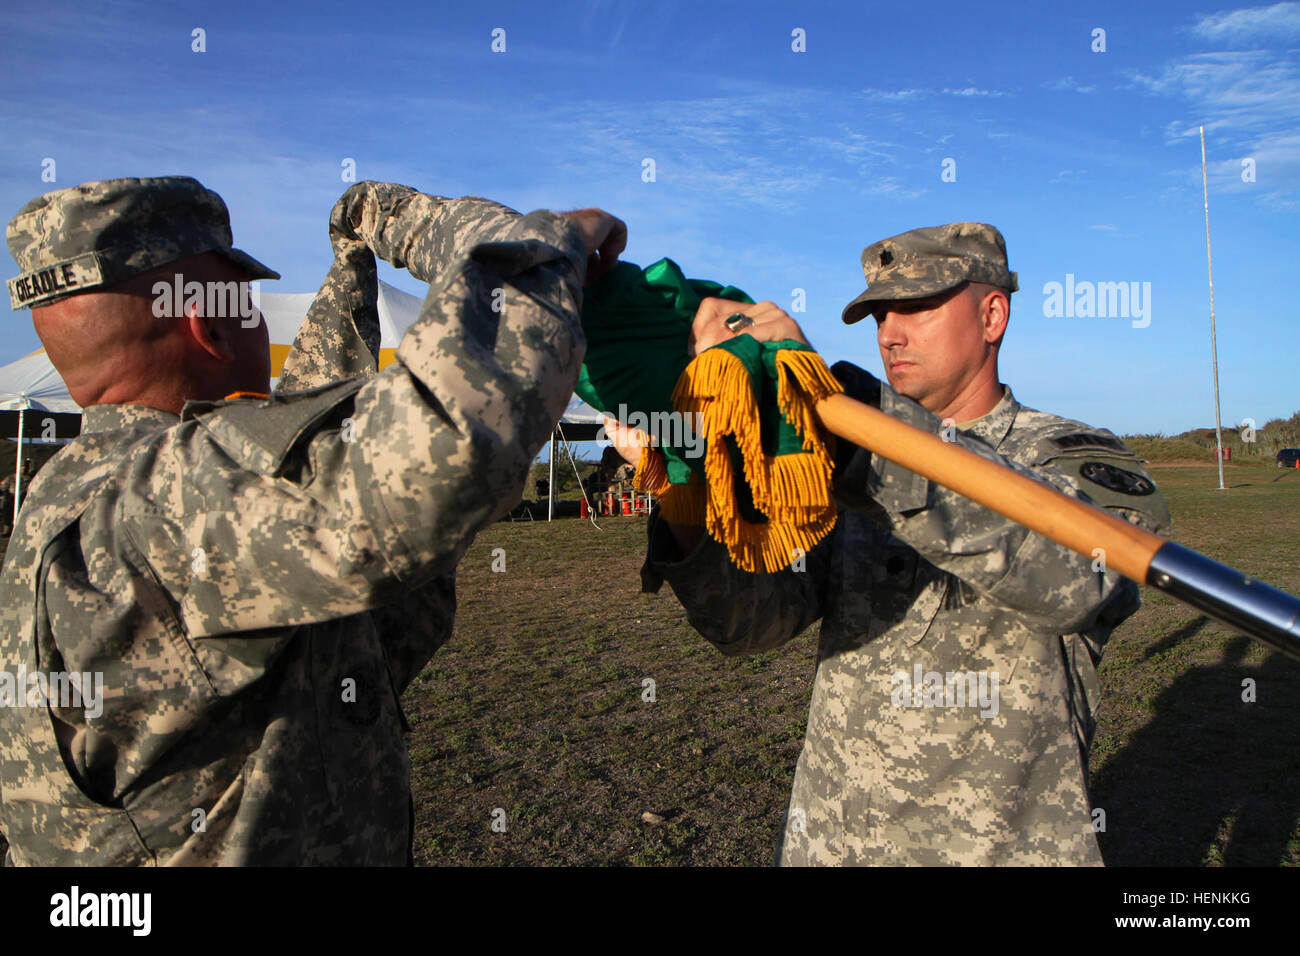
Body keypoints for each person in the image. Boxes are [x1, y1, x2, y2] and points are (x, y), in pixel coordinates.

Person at [0, 175, 625, 865]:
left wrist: (352, 263)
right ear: (207, 324)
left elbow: (297, 447)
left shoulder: (79, 491)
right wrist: (533, 246)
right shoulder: (165, 492)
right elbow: (451, 437)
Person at [611, 222, 1171, 865]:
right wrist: (683, 489)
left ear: (993, 315)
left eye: (916, 307)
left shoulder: (1070, 458)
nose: (889, 333)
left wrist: (846, 419)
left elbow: (1080, 584)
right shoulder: (848, 461)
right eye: (879, 313)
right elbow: (752, 625)